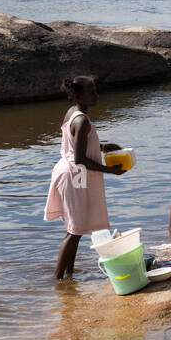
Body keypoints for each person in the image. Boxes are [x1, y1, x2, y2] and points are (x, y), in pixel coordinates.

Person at [44, 76, 126, 279]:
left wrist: (105, 147)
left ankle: (69, 275)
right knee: (74, 230)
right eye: (92, 92)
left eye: (95, 90)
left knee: (77, 227)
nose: (96, 95)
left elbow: (78, 145)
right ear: (79, 95)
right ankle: (58, 279)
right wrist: (111, 170)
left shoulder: (74, 113)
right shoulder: (81, 120)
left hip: (71, 172)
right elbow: (81, 159)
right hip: (74, 174)